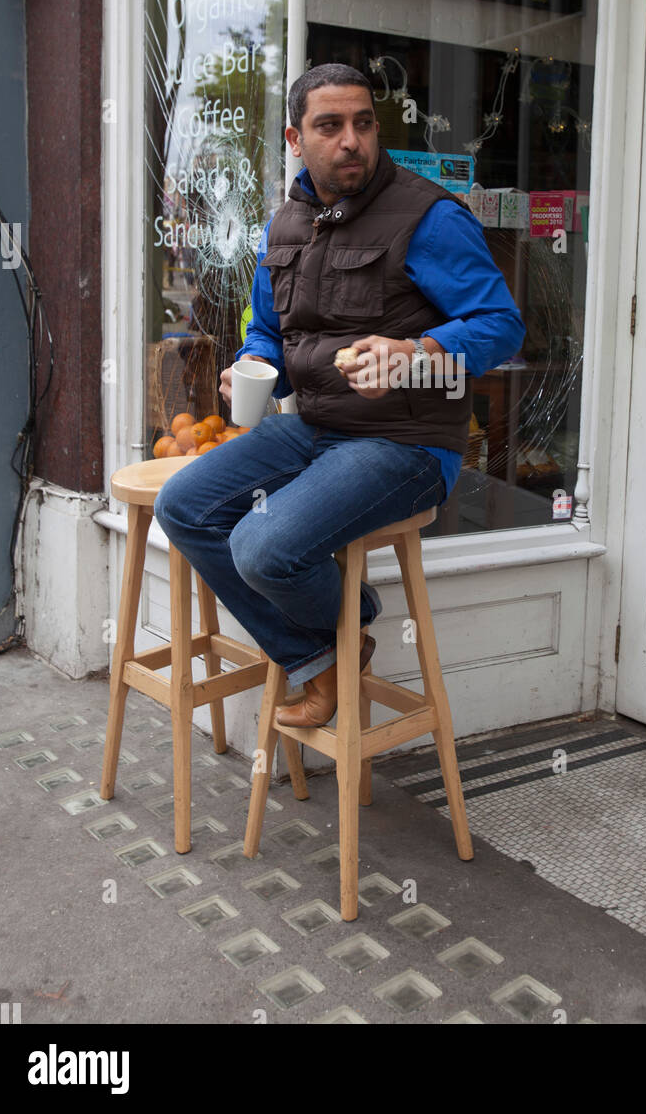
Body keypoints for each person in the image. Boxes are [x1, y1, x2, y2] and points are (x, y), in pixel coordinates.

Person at [154, 63, 525, 727]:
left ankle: (345, 631)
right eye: (330, 126)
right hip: (318, 429)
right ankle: (325, 655)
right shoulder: (286, 227)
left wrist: (416, 354)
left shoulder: (429, 218)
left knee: (264, 548)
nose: (351, 139)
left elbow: (502, 326)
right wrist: (252, 365)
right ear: (297, 138)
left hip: (406, 443)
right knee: (184, 505)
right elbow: (266, 331)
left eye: (363, 123)